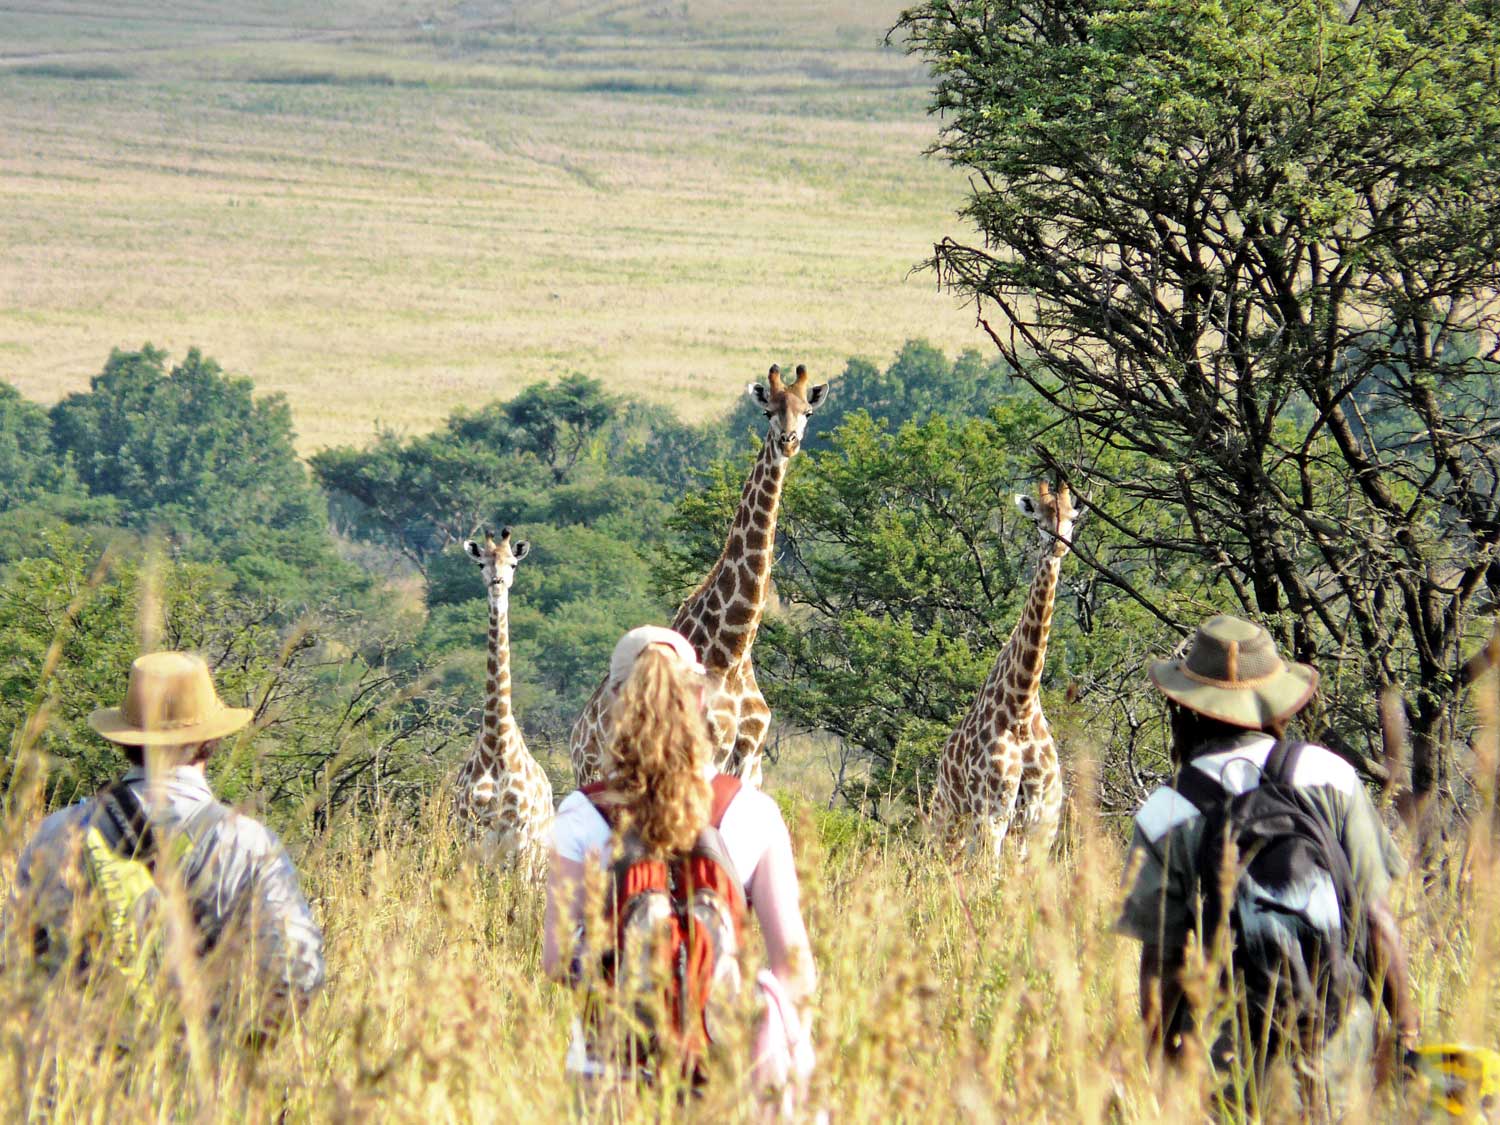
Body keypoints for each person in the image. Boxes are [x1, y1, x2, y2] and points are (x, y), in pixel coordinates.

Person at [1116, 615, 1420, 1117]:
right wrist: (1405, 1033)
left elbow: (1163, 964)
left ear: (1187, 707)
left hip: (1229, 1057)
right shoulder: (1333, 777)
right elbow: (1377, 919)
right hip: (1342, 1041)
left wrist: (1158, 1065)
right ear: (1276, 702)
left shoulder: (1167, 810)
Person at [543, 626, 816, 1111]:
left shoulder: (580, 815)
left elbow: (557, 959)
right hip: (722, 1069)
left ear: (614, 702)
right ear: (698, 697)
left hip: (609, 1075)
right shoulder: (751, 811)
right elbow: (795, 969)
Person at [4, 651, 325, 1036]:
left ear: (125, 740)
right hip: (200, 1074)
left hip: (78, 1077)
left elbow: (14, 965)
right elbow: (298, 972)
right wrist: (241, 1054)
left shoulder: (58, 833)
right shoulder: (247, 842)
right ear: (211, 740)